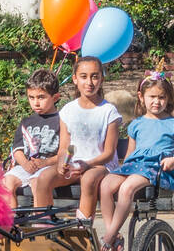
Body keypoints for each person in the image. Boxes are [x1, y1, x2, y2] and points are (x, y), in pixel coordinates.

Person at [97, 72, 174, 251]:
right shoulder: (136, 124)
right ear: (141, 97)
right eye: (152, 97)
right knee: (106, 184)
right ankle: (114, 233)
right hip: (135, 165)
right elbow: (130, 154)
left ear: (168, 99)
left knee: (126, 188)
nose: (156, 102)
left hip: (157, 167)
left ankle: (107, 237)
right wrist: (120, 169)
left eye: (161, 97)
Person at [37, 56, 122, 222]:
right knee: (44, 178)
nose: (89, 82)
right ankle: (44, 227)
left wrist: (87, 164)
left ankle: (82, 227)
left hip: (99, 165)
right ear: (75, 79)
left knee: (89, 179)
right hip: (74, 164)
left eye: (94, 76)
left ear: (102, 79)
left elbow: (109, 153)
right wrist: (63, 161)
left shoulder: (108, 111)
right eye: (84, 76)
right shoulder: (68, 110)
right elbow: (65, 147)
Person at [1, 69, 66, 208]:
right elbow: (17, 150)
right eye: (31, 97)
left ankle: (39, 222)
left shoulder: (62, 120)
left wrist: (45, 162)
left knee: (38, 182)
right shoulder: (26, 122)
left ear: (55, 97)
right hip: (27, 165)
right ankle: (12, 224)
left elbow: (64, 152)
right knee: (6, 182)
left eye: (41, 97)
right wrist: (25, 163)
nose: (36, 103)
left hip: (50, 166)